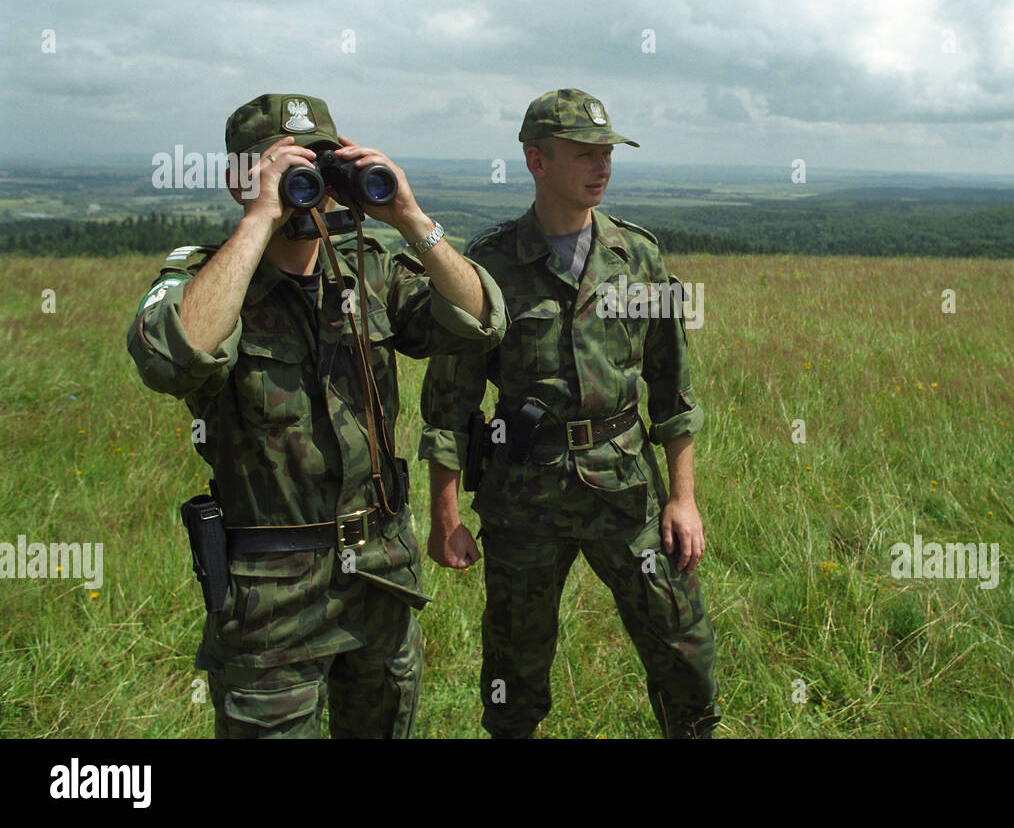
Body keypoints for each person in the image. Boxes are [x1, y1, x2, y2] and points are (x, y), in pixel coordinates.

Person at [126, 93, 506, 738]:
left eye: (318, 167)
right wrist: (259, 218)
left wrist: (410, 217)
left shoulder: (369, 270)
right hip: (270, 597)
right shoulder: (206, 282)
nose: (308, 187)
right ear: (236, 179)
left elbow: (480, 322)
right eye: (281, 165)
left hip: (381, 578)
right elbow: (173, 360)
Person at [420, 88, 719, 738]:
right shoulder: (489, 264)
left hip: (626, 485)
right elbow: (450, 403)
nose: (601, 166)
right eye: (584, 154)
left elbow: (673, 391)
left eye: (606, 153)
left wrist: (685, 498)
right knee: (514, 673)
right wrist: (446, 514)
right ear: (536, 160)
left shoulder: (636, 258)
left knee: (682, 645)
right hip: (524, 495)